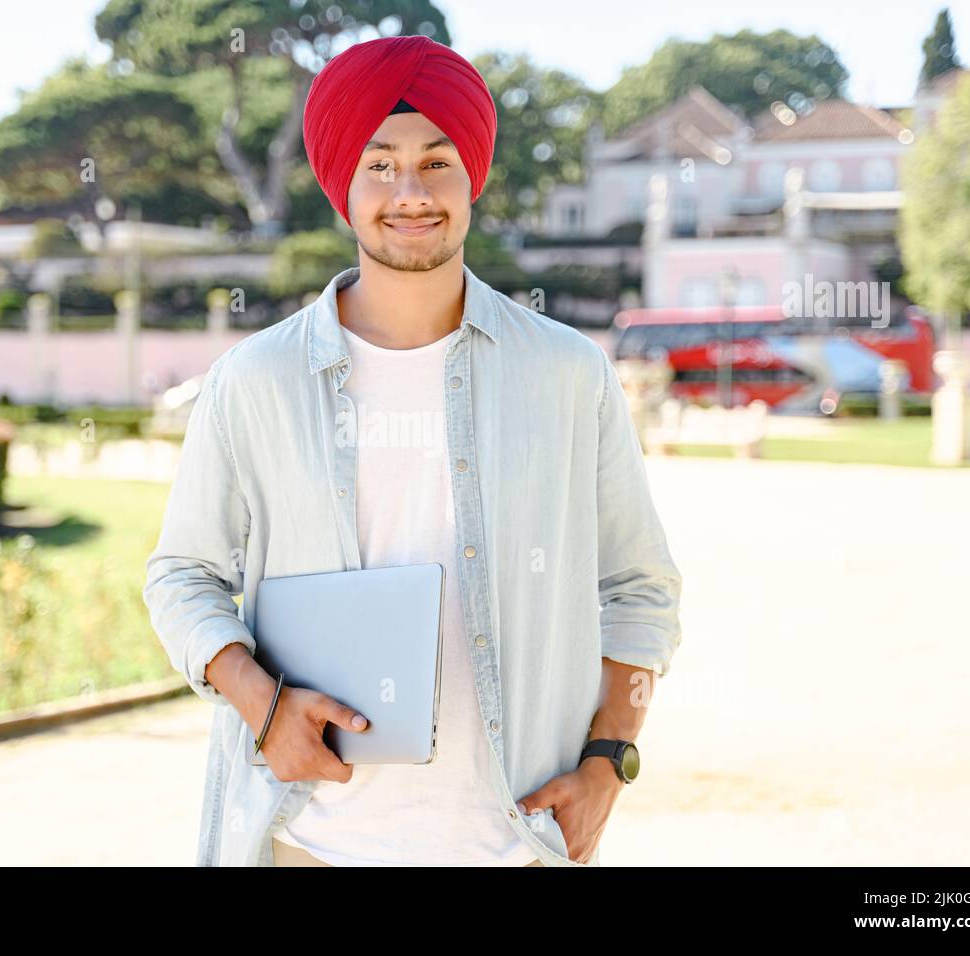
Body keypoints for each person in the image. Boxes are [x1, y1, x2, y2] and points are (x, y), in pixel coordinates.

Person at [143, 34, 683, 867]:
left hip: (515, 841)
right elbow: (183, 575)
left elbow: (640, 588)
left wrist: (611, 762)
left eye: (437, 162)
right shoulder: (256, 379)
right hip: (308, 839)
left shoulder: (568, 373)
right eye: (379, 163)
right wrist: (264, 706)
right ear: (342, 187)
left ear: (472, 176)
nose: (410, 192)